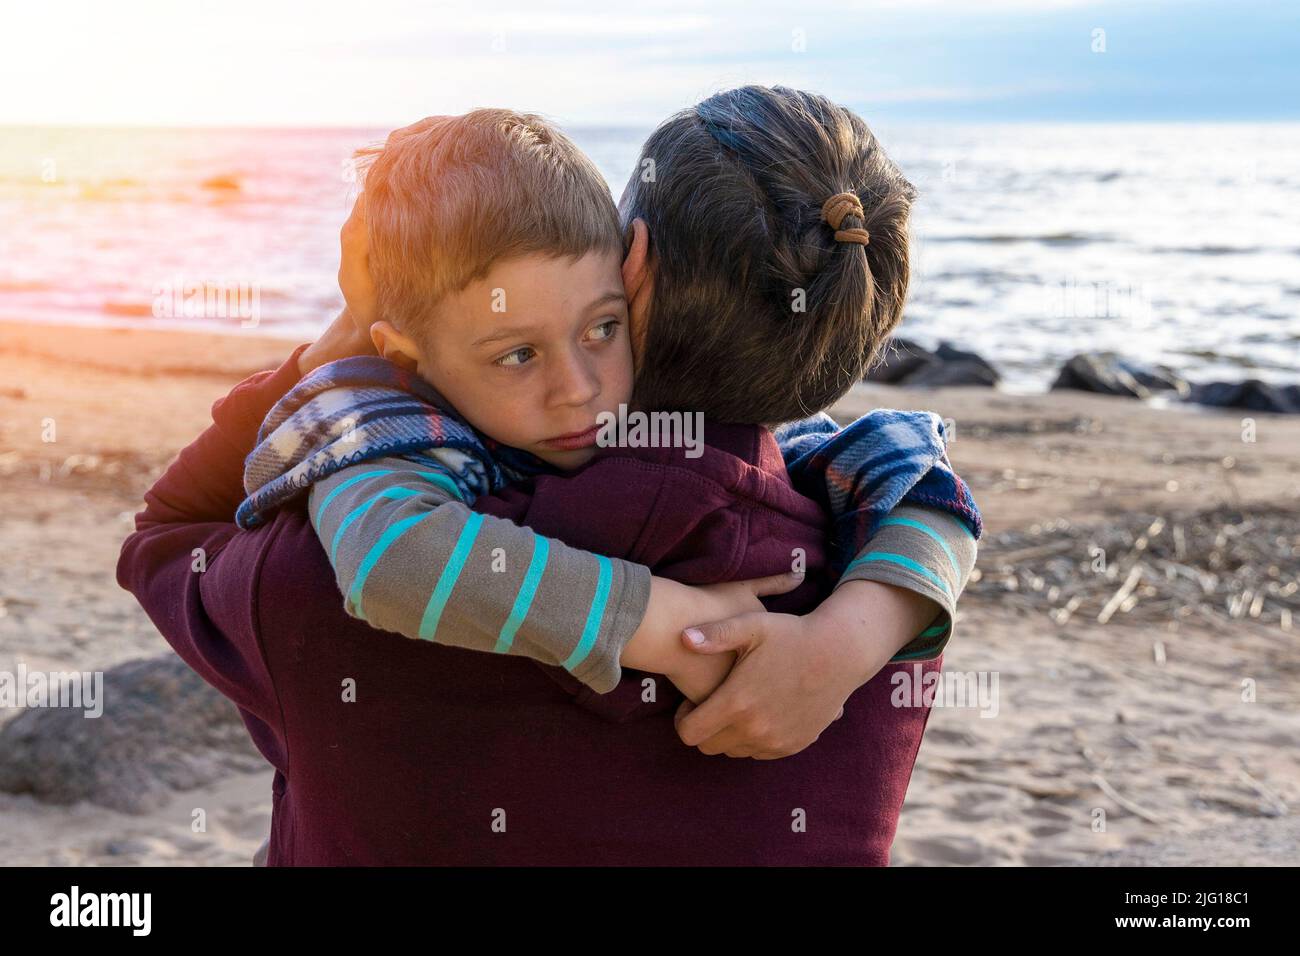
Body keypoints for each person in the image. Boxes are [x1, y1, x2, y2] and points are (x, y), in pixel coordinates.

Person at [118, 88, 982, 864]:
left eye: (598, 327)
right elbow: (921, 475)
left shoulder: (325, 563)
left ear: (632, 264)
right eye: (519, 350)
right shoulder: (882, 594)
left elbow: (166, 534)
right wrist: (844, 642)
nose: (572, 384)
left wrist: (357, 327)